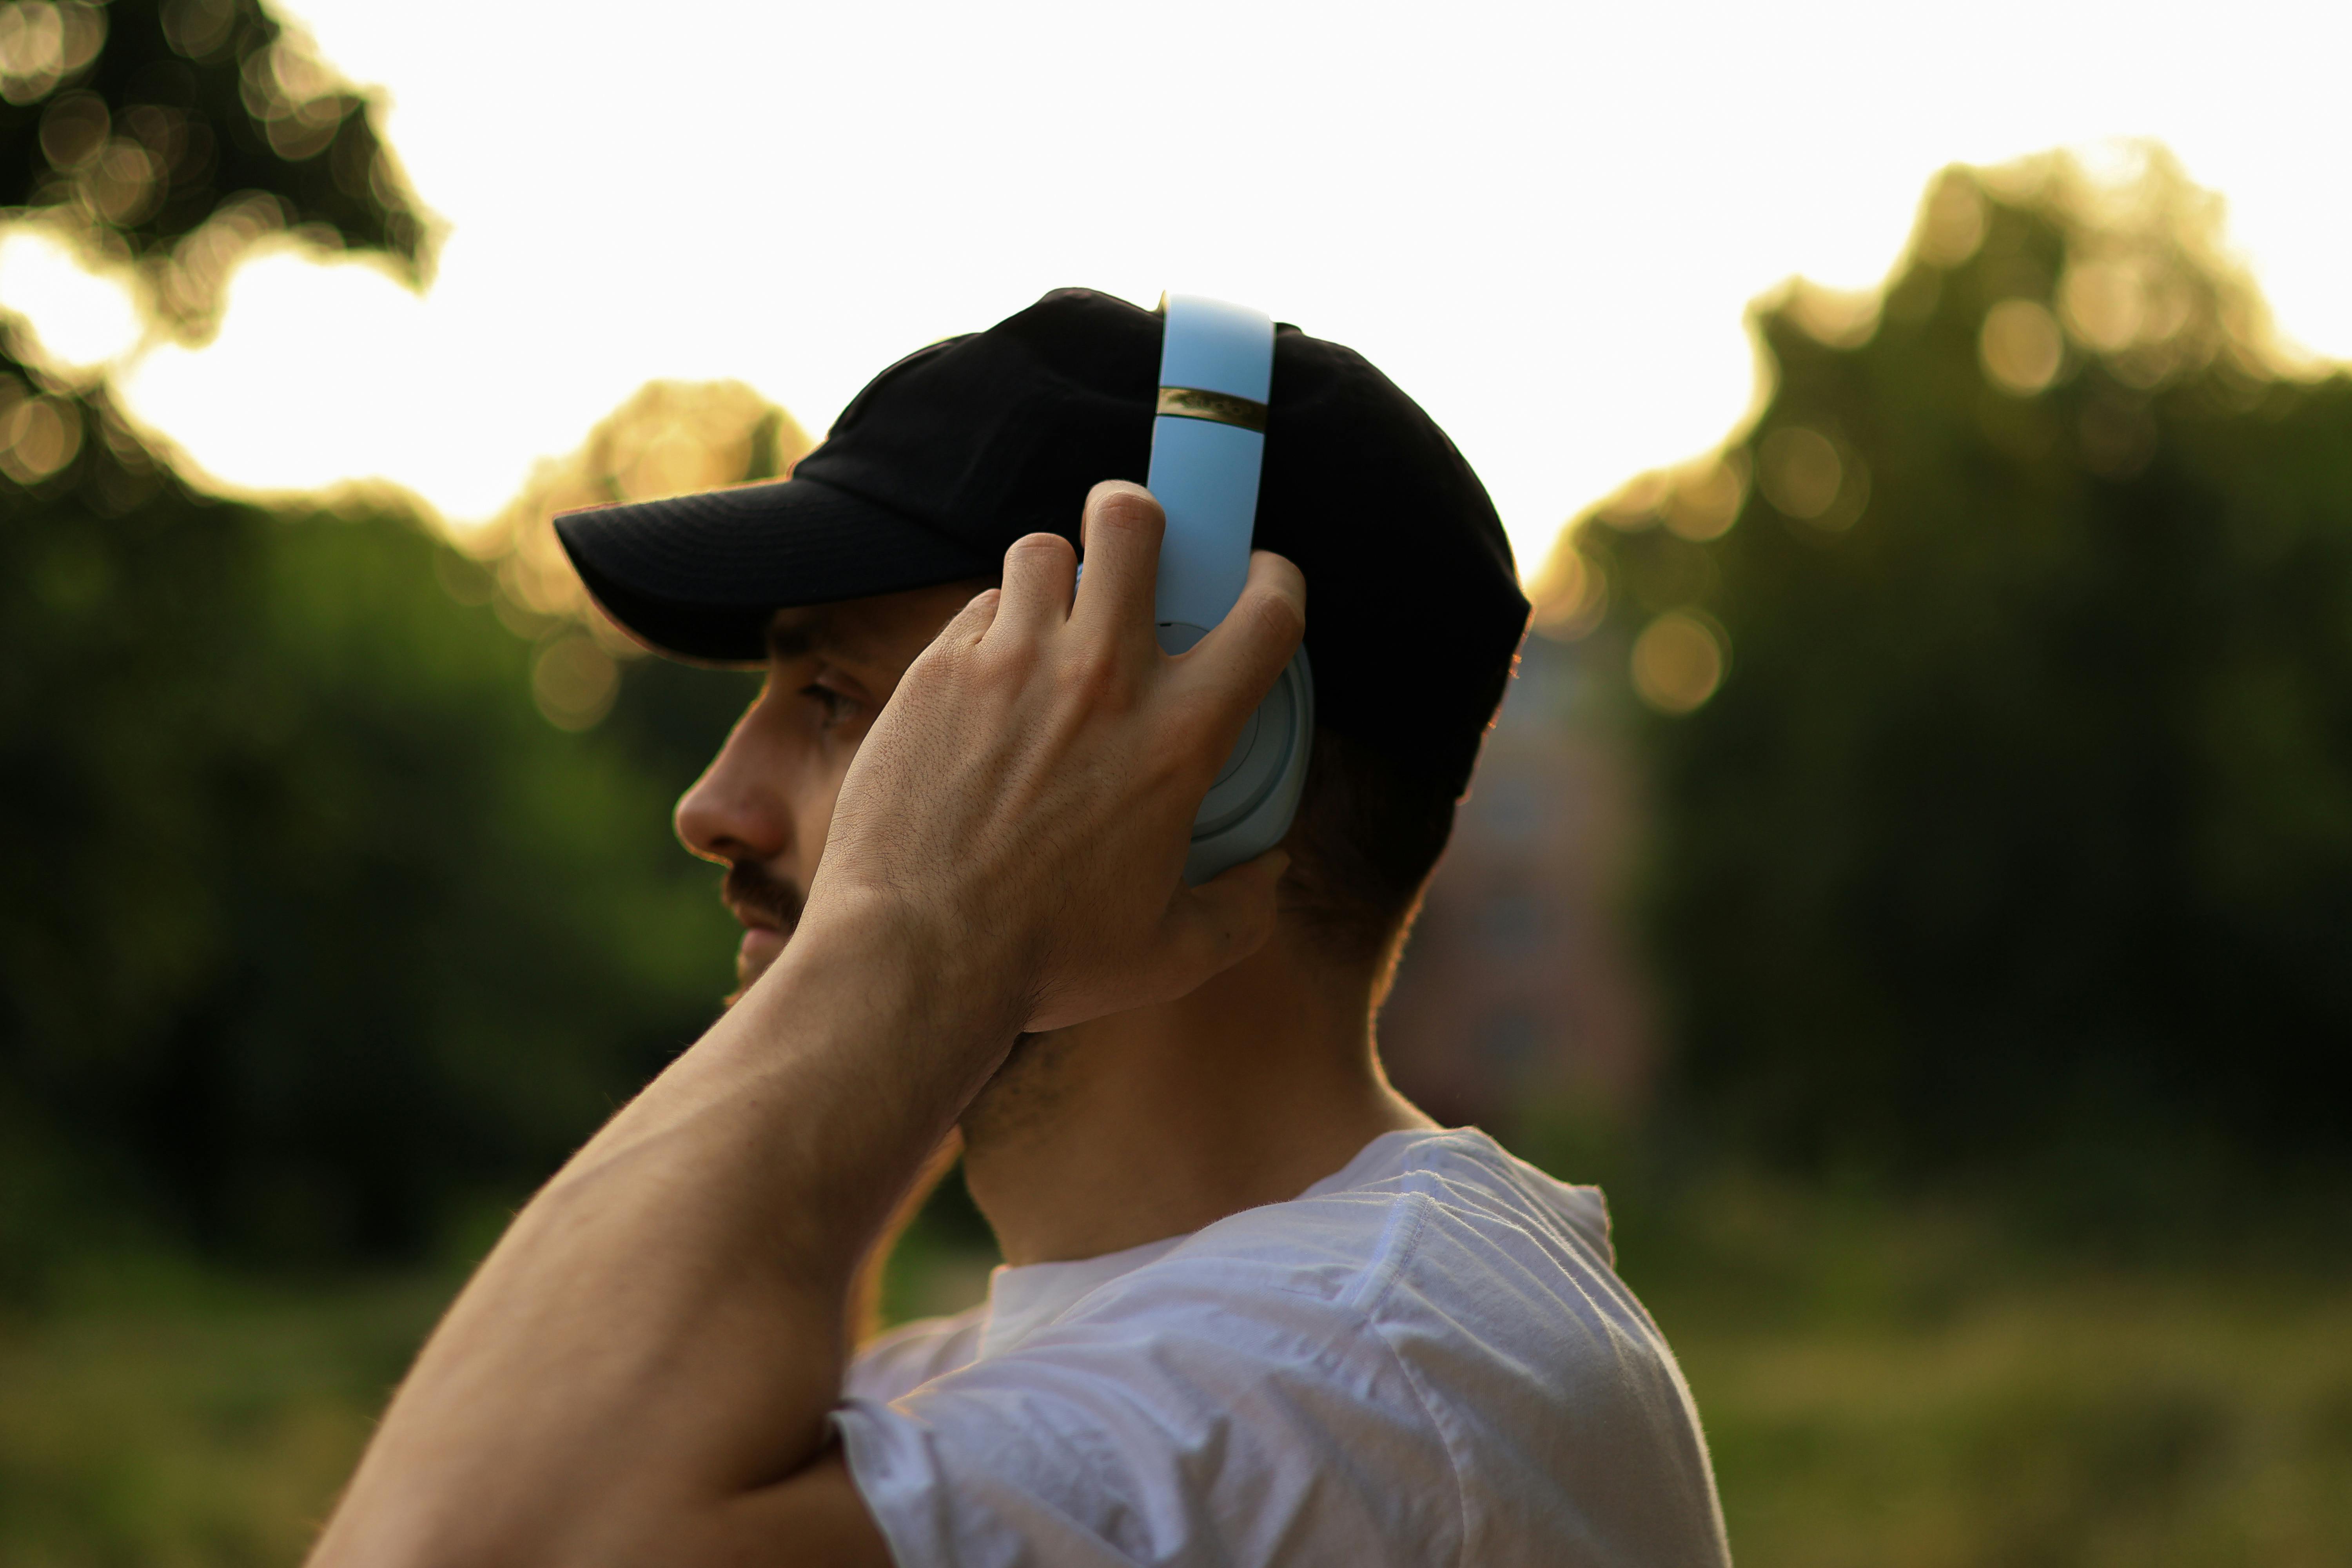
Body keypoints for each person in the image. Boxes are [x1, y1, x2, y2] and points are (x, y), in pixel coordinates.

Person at [307, 290, 1730, 1567]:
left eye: (838, 701)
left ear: (1213, 762)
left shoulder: (1363, 1376)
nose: (713, 804)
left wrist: (918, 944)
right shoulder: (1179, 1374)